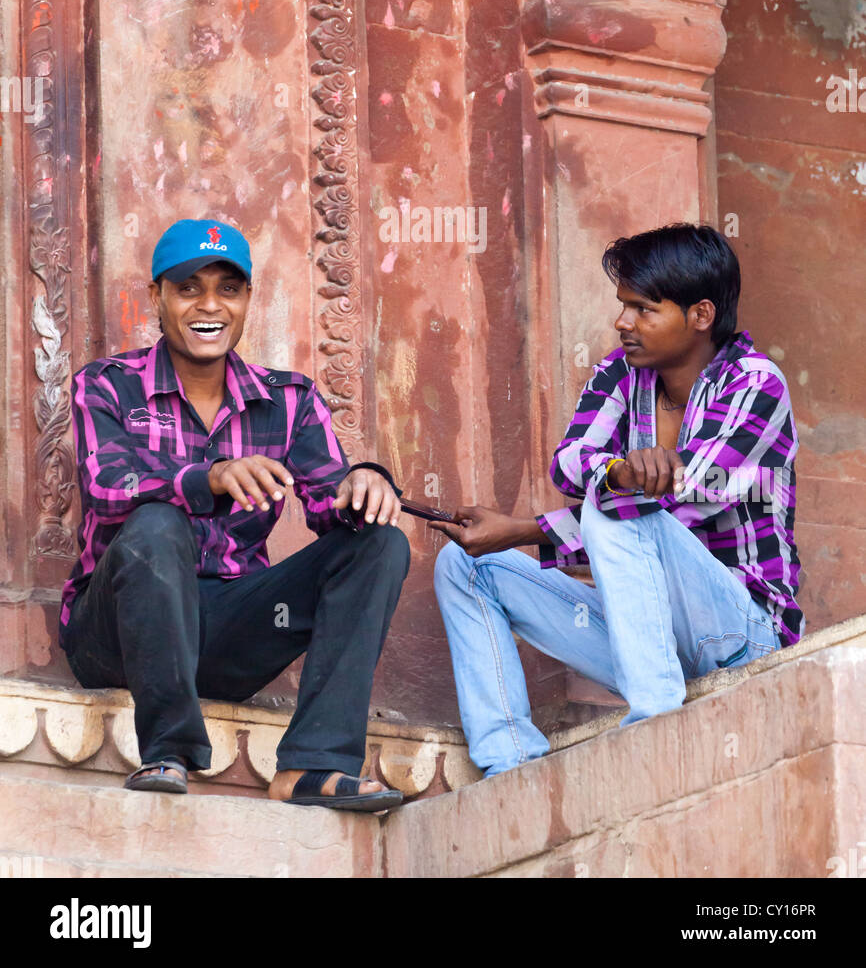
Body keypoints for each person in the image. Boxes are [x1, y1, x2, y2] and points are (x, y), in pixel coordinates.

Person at [61, 218, 410, 812]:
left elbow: (333, 509)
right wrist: (208, 478)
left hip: (226, 636)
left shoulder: (290, 399)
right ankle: (168, 748)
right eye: (188, 287)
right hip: (117, 632)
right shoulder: (108, 385)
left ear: (248, 299)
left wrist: (369, 483)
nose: (209, 305)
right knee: (155, 521)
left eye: (228, 288)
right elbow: (105, 486)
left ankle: (314, 764)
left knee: (380, 543)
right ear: (158, 298)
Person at [432, 223, 803, 778]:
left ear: (700, 316)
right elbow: (569, 462)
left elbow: (688, 498)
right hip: (646, 641)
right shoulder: (622, 372)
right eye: (622, 305)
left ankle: (653, 723)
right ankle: (507, 765)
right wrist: (618, 469)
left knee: (618, 504)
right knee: (464, 564)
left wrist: (525, 529)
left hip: (741, 635)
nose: (622, 322)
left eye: (643, 309)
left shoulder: (755, 384)